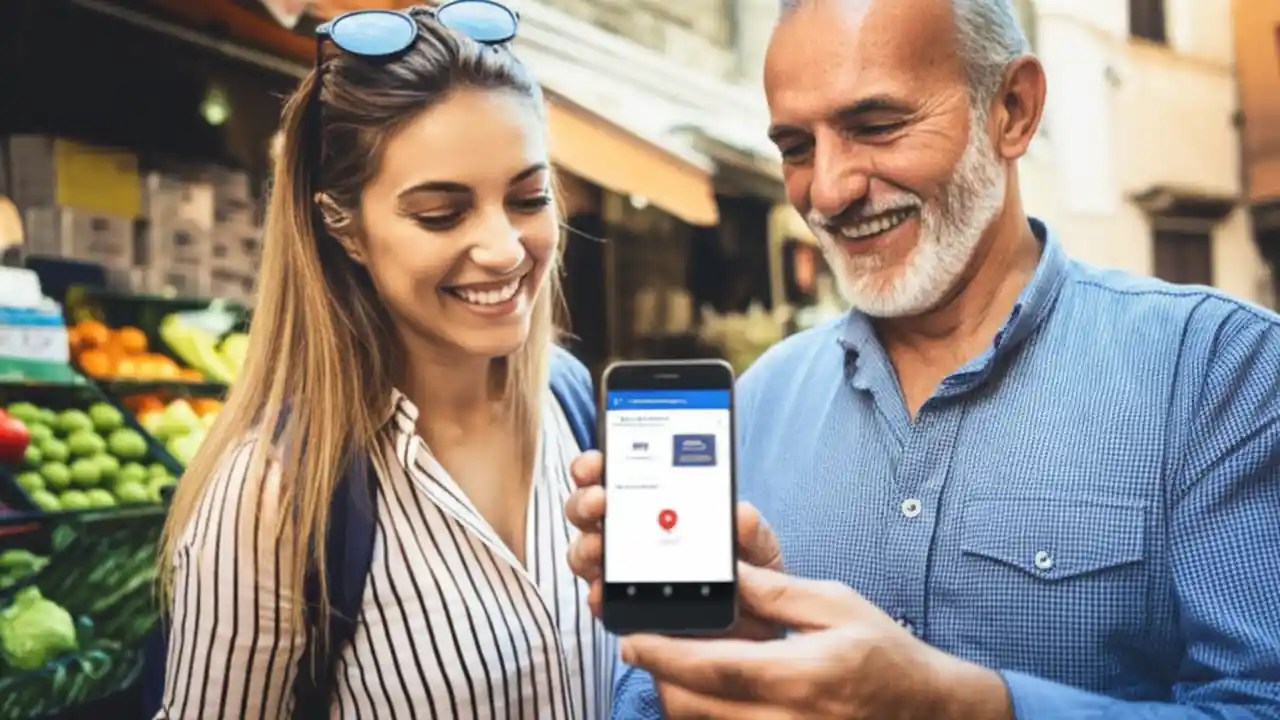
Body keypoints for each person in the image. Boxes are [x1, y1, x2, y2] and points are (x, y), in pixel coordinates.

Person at [565, 0, 1280, 717]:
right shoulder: (760, 402)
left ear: (1013, 110)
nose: (829, 190)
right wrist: (721, 663)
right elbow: (644, 698)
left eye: (876, 126)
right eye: (796, 148)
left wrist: (957, 706)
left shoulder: (1217, 371)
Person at [153, 5, 614, 718]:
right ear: (344, 227)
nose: (504, 249)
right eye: (441, 214)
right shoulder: (274, 497)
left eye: (529, 198)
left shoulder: (572, 400)